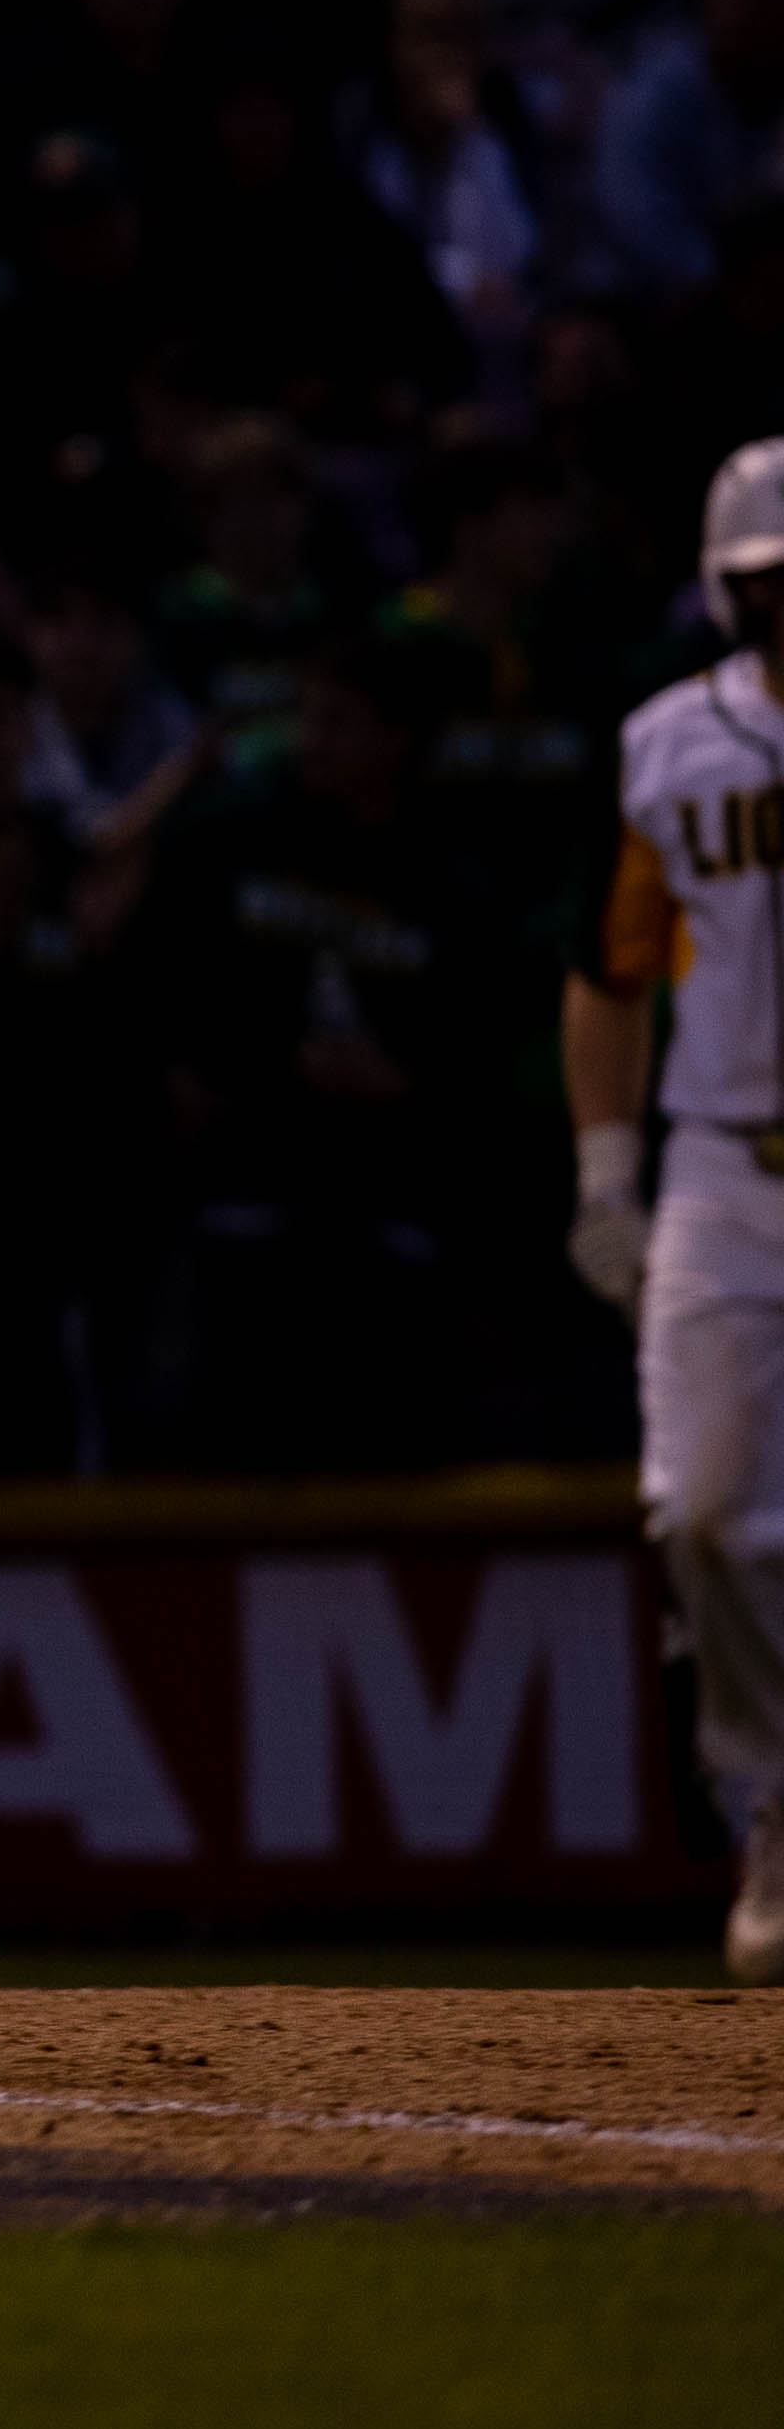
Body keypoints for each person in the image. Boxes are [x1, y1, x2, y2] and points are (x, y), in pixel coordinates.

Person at [562, 436, 784, 1982]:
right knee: (697, 1511)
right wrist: (603, 1171)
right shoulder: (668, 746)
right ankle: (767, 1801)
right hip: (722, 1158)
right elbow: (610, 973)